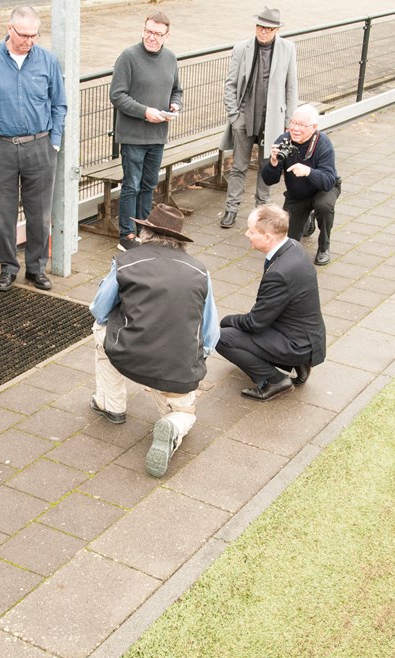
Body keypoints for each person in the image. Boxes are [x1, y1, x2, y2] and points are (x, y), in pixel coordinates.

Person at [89, 204, 219, 478]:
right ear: (179, 241)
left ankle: (111, 405)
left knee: (100, 331)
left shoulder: (125, 262)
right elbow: (210, 334)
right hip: (177, 366)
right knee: (185, 412)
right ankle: (173, 425)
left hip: (127, 352)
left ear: (145, 232)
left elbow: (99, 309)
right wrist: (195, 359)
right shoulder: (200, 271)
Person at [0, 4, 66, 292]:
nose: (29, 41)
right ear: (9, 29)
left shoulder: (47, 61)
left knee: (40, 212)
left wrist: (54, 140)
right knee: (4, 211)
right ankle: (8, 267)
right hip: (1, 146)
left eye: (34, 35)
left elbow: (59, 103)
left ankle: (36, 269)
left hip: (40, 145)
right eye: (24, 35)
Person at [217, 205, 326, 401]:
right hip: (307, 335)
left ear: (267, 237)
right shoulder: (292, 246)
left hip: (297, 343)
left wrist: (228, 320)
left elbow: (255, 323)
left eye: (251, 231)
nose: (246, 234)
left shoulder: (279, 272)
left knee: (222, 337)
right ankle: (300, 365)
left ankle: (273, 380)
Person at [109, 11, 182, 253]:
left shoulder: (171, 58)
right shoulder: (128, 57)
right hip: (133, 135)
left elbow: (177, 90)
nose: (152, 37)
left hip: (158, 134)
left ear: (167, 36)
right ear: (143, 30)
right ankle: (126, 234)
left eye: (158, 34)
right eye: (149, 32)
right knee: (131, 185)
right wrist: (144, 112)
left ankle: (145, 229)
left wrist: (175, 104)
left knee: (149, 184)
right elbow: (117, 95)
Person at [218, 6, 297, 229]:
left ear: (276, 30)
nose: (263, 32)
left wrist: (289, 124)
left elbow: (291, 88)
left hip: (272, 120)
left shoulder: (288, 49)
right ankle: (231, 209)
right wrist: (235, 116)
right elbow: (230, 84)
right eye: (260, 27)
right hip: (244, 117)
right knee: (238, 166)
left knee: (268, 166)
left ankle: (261, 212)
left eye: (268, 28)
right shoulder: (241, 48)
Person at [259, 103, 341, 265]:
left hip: (323, 189)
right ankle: (306, 218)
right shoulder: (284, 141)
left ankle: (324, 246)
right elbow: (269, 180)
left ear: (314, 127)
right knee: (288, 244)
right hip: (297, 194)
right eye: (293, 123)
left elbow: (328, 180)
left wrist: (309, 172)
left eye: (302, 125)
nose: (295, 129)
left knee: (323, 206)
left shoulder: (323, 144)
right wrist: (273, 163)